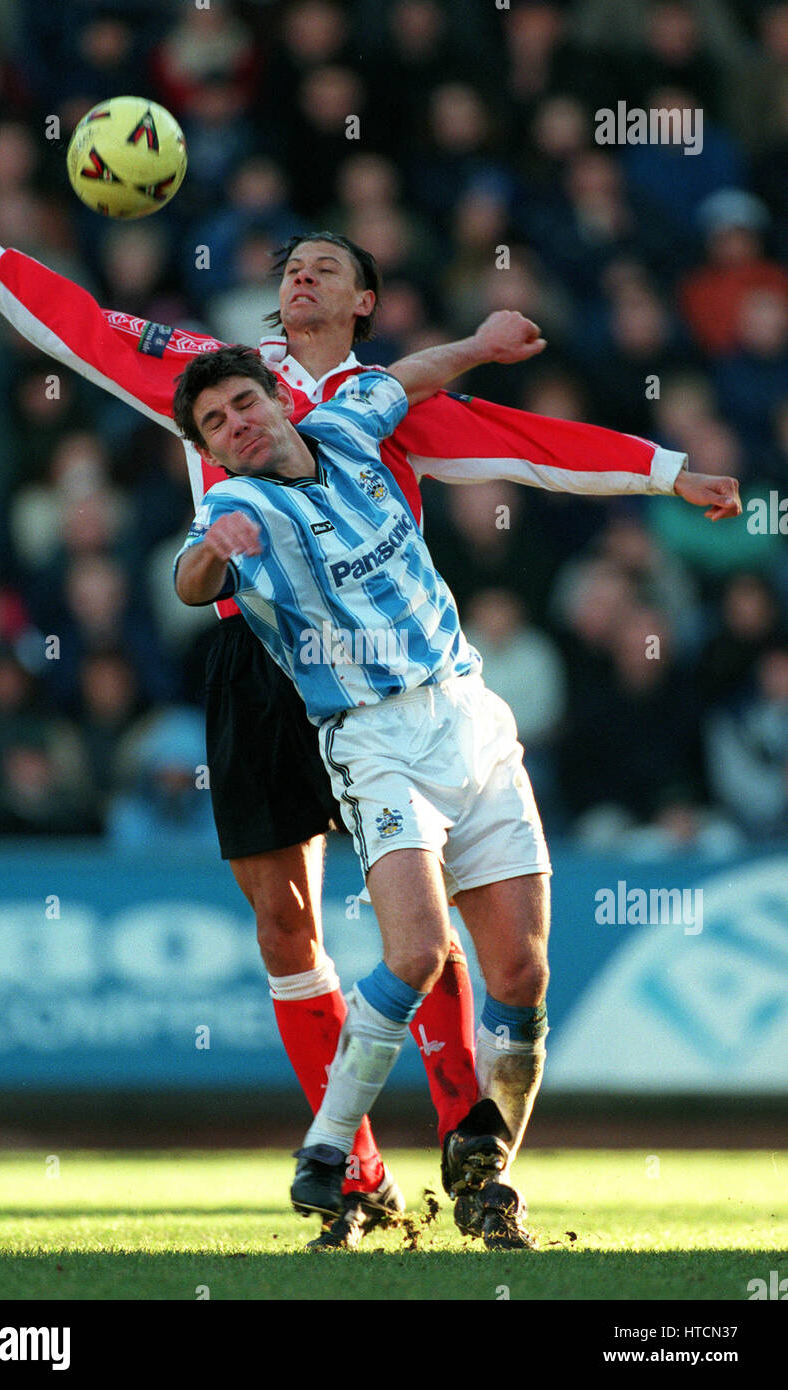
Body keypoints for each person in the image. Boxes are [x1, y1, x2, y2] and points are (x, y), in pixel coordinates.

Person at [0, 193, 735, 1248]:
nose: (298, 278)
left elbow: (518, 441)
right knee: (284, 922)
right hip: (258, 667)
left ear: (364, 301)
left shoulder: (372, 401)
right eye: (288, 265)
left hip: (387, 680)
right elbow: (89, 334)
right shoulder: (220, 375)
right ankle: (350, 1177)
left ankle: (468, 1149)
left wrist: (665, 471)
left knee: (429, 928)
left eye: (323, 266)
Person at [172, 342, 740, 1249]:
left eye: (243, 403)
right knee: (415, 952)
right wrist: (211, 551)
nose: (236, 424)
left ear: (280, 399)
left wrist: (480, 343)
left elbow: (409, 379)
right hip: (372, 739)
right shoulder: (243, 504)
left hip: (472, 719)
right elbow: (189, 579)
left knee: (520, 976)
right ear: (212, 450)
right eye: (214, 423)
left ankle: (487, 1174)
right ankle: (325, 1154)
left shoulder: (352, 425)